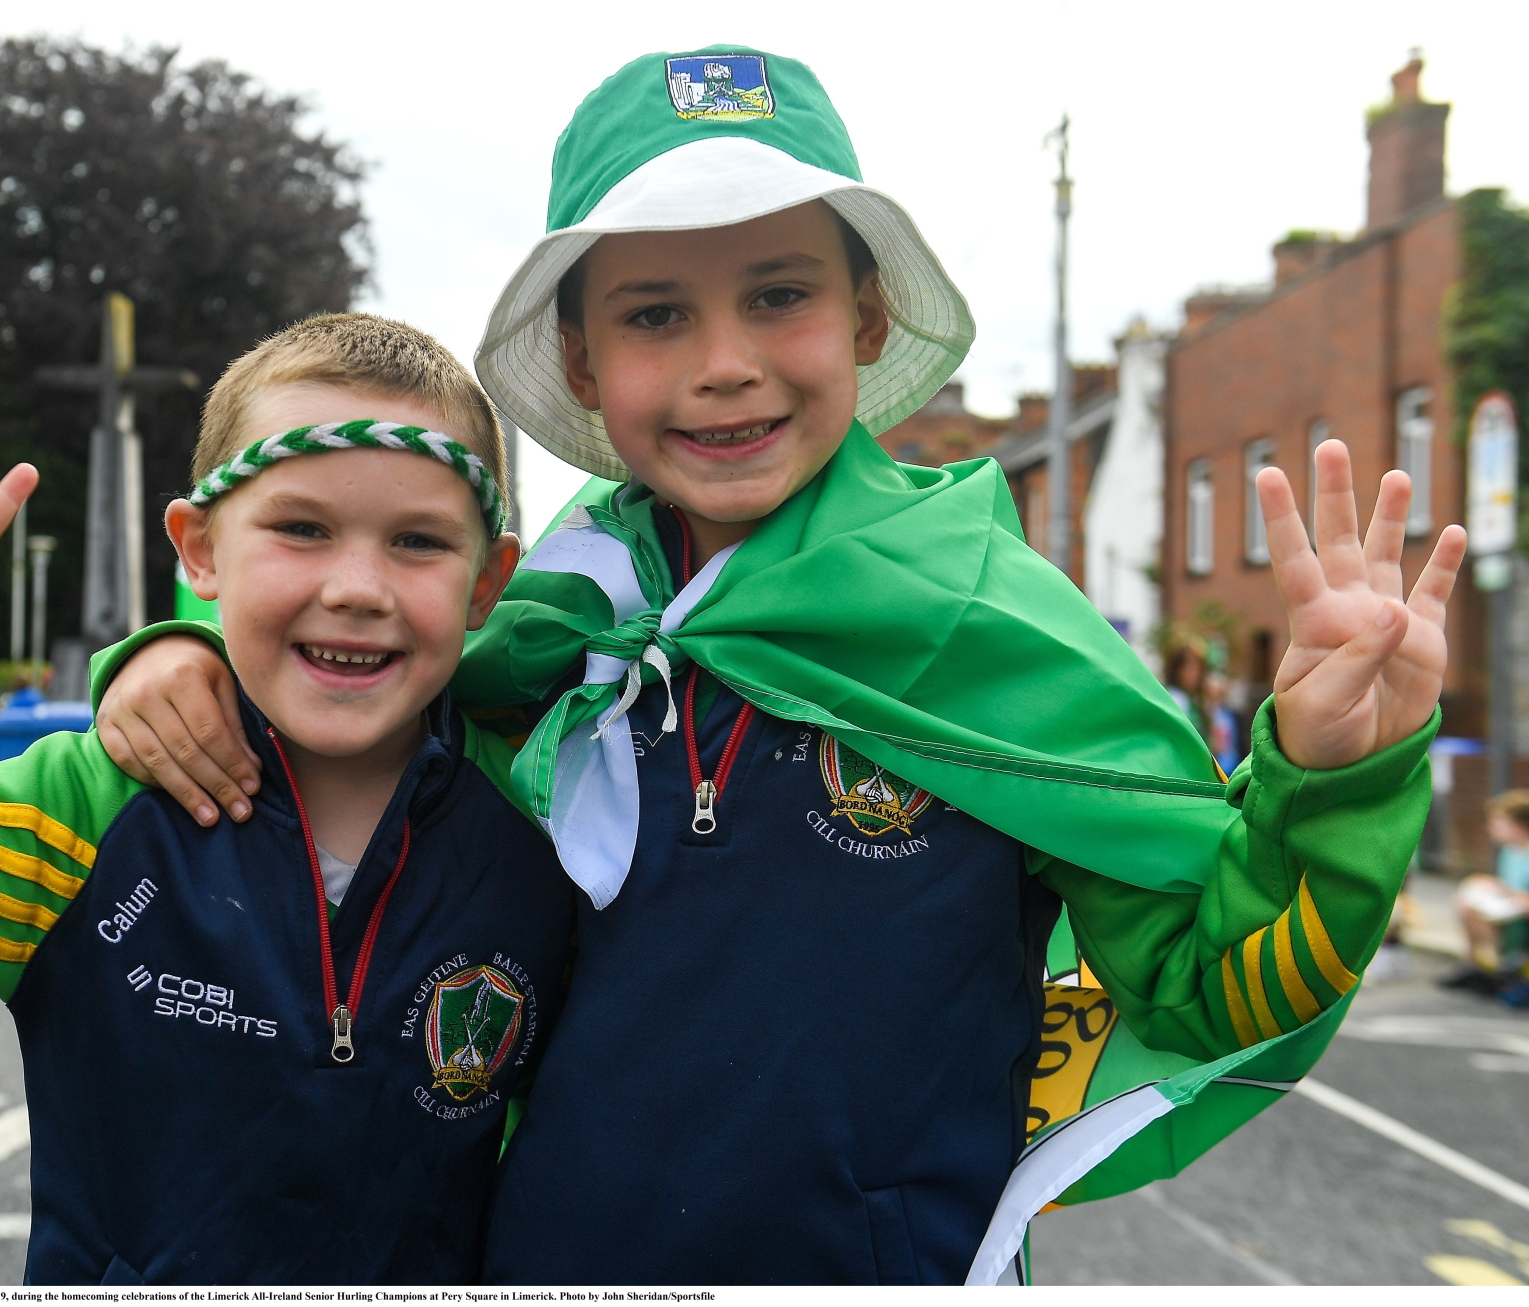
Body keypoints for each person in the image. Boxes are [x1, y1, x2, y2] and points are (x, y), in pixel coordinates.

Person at [93, 48, 1466, 1284]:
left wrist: (1335, 773)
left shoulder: (993, 620)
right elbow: (342, 679)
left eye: (780, 294)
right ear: (579, 358)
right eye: (654, 315)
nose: (727, 364)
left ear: (866, 320)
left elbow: (1216, 980)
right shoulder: (543, 609)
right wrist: (186, 657)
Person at [0, 315, 575, 1284]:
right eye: (302, 527)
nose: (357, 587)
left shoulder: (558, 818)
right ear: (200, 550)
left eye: (419, 541)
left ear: (488, 583)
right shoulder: (77, 810)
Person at [1446, 790, 1529, 1000]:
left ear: (1520, 825)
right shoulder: (1509, 853)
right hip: (1511, 913)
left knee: (1473, 910)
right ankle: (1479, 967)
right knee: (1466, 903)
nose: (1491, 828)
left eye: (1499, 822)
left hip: (1520, 921)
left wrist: (1503, 892)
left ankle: (1495, 969)